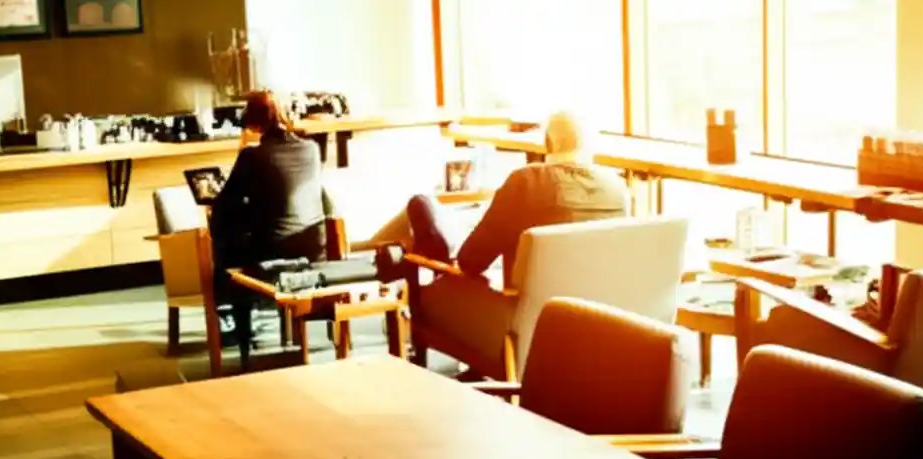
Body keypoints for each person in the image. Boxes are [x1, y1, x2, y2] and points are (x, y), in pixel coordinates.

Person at [386, 111, 631, 377]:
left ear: (548, 142)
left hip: (527, 327)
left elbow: (471, 261)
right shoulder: (618, 191)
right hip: (599, 323)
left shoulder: (525, 183)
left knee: (445, 286)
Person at [209, 90, 333, 349]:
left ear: (252, 121)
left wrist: (244, 150)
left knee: (222, 237)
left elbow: (224, 204)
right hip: (314, 248)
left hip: (271, 250)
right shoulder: (311, 150)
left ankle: (234, 319)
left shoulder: (252, 156)